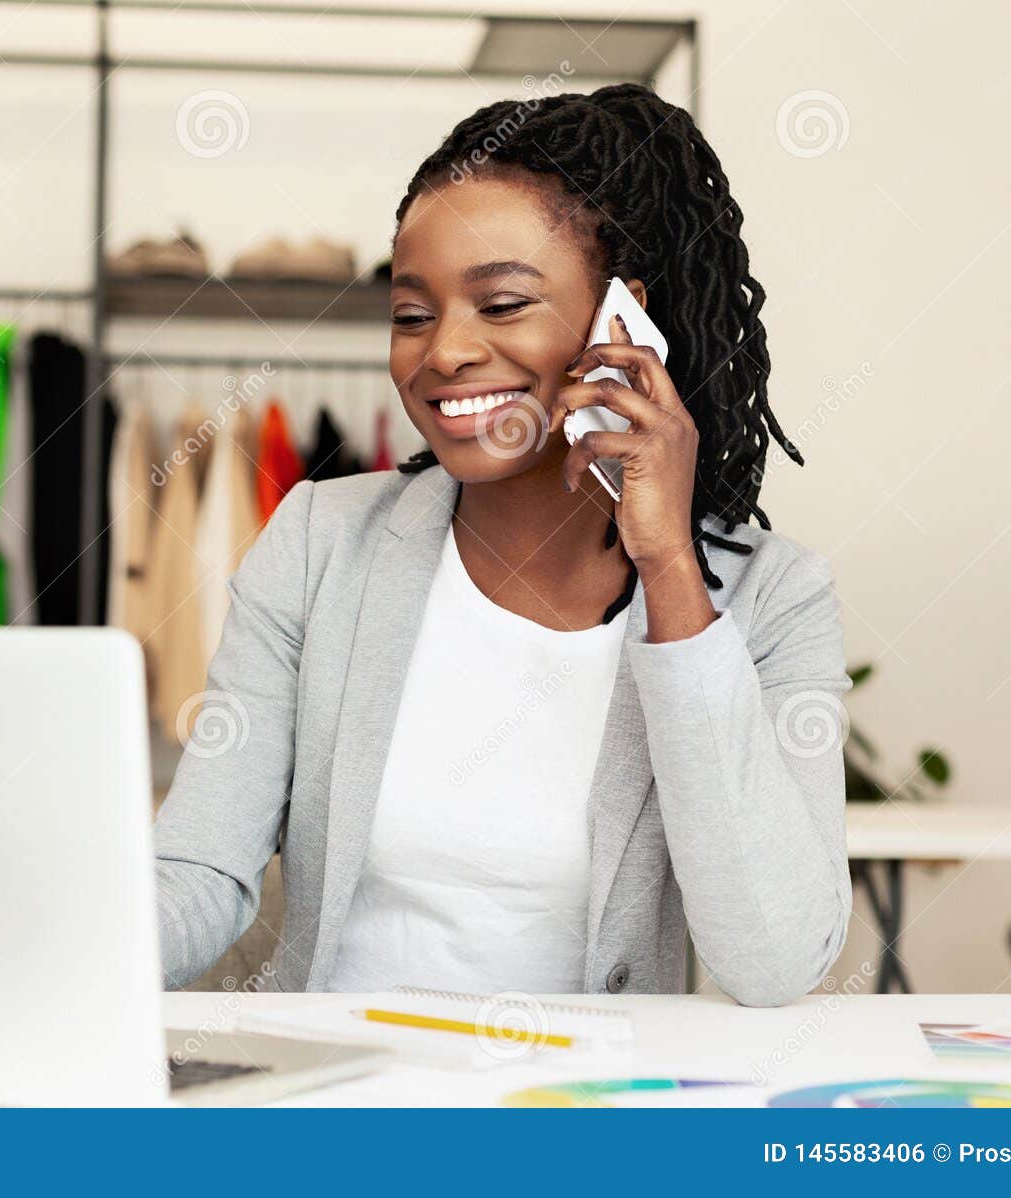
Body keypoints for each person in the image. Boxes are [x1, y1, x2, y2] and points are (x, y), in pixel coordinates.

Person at [153, 82, 853, 1005]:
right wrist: (44, 954)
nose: (442, 352)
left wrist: (671, 568)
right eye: (412, 314)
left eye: (503, 304)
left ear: (621, 322)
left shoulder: (773, 598)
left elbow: (774, 961)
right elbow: (203, 872)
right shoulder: (320, 545)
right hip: (346, 1108)